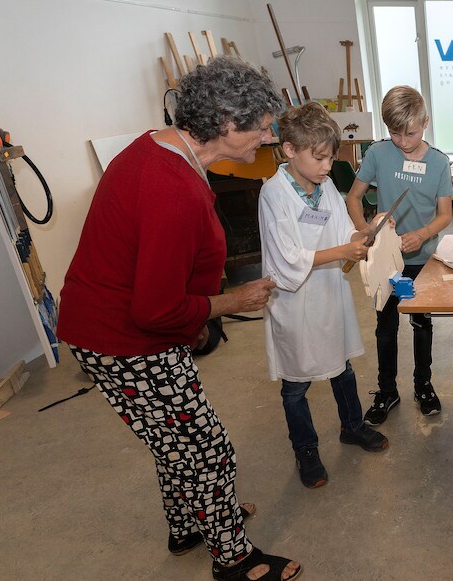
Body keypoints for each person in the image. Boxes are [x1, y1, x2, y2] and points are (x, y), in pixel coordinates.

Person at [57, 57, 302, 581]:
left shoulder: (164, 150)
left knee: (175, 441)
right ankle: (233, 559)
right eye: (262, 127)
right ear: (227, 123)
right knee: (207, 450)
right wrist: (231, 301)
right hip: (123, 339)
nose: (269, 138)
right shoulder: (171, 188)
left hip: (130, 330)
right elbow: (156, 310)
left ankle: (190, 525)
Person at [258, 102, 389, 490]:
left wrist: (363, 234)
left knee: (340, 365)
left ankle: (352, 426)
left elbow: (340, 230)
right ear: (289, 149)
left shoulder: (326, 185)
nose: (327, 166)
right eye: (319, 158)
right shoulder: (274, 194)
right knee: (296, 383)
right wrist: (343, 250)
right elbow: (287, 259)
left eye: (331, 158)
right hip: (294, 303)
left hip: (328, 293)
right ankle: (306, 449)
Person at [346, 85, 453, 426]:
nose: (404, 141)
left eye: (411, 133)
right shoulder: (378, 153)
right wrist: (365, 229)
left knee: (421, 322)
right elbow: (353, 198)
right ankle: (387, 390)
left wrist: (422, 234)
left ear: (426, 122)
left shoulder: (438, 162)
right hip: (388, 263)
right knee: (386, 325)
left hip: (420, 262)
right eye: (395, 133)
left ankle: (423, 385)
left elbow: (445, 215)